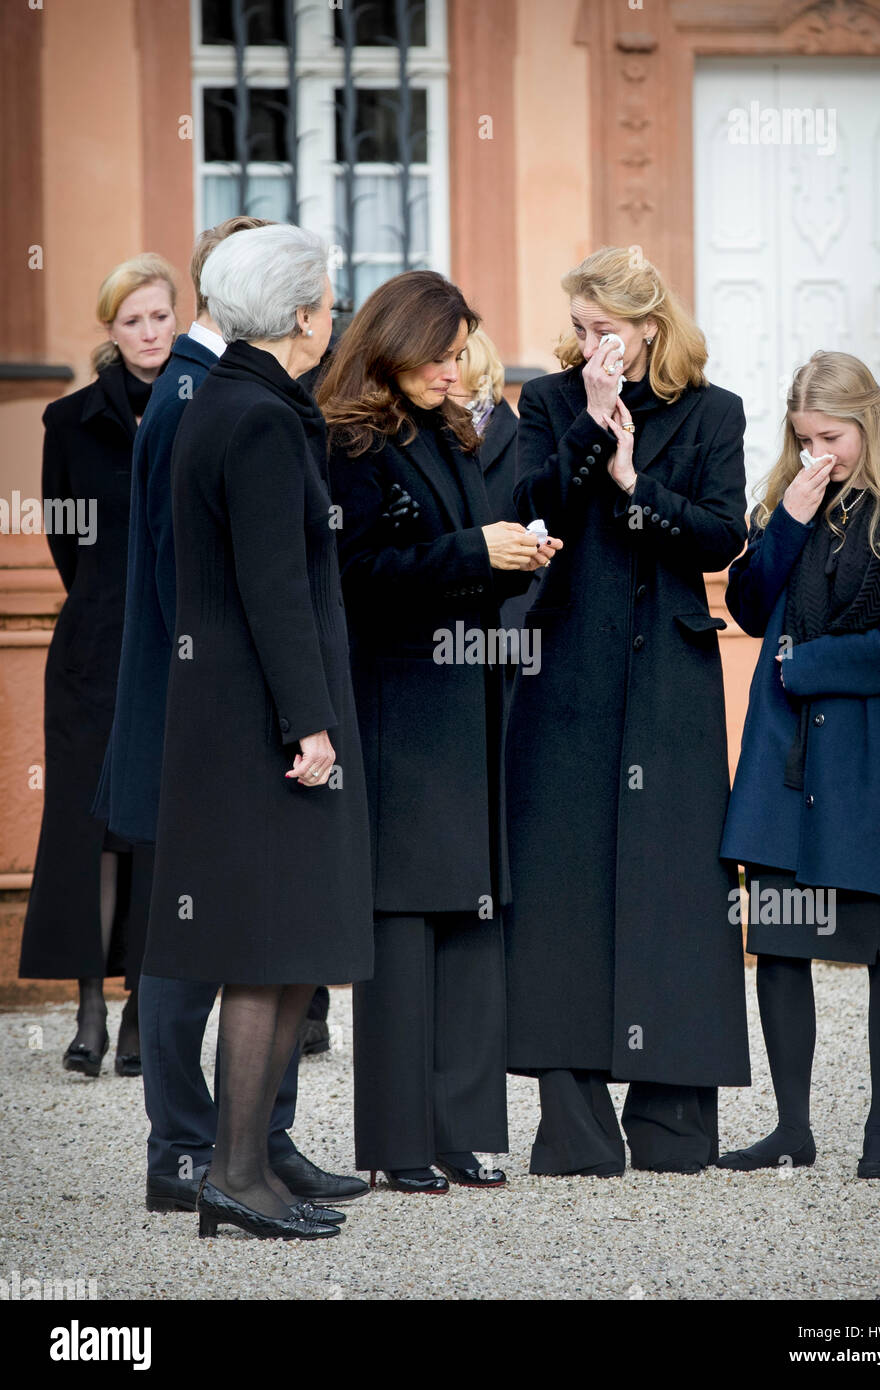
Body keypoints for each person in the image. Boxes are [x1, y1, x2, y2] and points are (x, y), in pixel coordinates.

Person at [93, 217, 358, 1215]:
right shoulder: (221, 402)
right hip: (215, 707)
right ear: (297, 311)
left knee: (258, 937)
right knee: (209, 939)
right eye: (328, 298)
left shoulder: (237, 397)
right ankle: (195, 1153)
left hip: (227, 702)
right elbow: (245, 583)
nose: (334, 314)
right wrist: (304, 718)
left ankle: (250, 1149)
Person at [505, 245, 751, 1176]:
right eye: (577, 330)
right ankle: (573, 1129)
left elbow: (722, 533)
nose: (587, 346)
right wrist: (589, 435)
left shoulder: (713, 410)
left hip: (669, 680)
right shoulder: (548, 403)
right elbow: (531, 512)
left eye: (603, 330)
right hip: (568, 669)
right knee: (564, 883)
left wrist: (636, 485)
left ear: (650, 328)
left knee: (676, 887)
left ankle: (674, 1124)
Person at [319, 270, 560, 1193]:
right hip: (398, 706)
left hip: (469, 696)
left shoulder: (455, 430)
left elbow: (462, 563)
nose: (458, 370)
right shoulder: (351, 443)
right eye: (444, 353)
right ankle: (395, 1140)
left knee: (472, 913)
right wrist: (473, 551)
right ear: (394, 345)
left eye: (463, 353)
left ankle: (463, 1130)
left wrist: (511, 558)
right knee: (405, 920)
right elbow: (354, 575)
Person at [718, 350, 880, 1180]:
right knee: (783, 938)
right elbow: (751, 609)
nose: (816, 453)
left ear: (868, 421)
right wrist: (788, 518)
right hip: (784, 755)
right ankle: (792, 1128)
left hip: (870, 758)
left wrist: (815, 666)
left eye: (830, 437)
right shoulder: (790, 495)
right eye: (802, 439)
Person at [19, 254, 178, 1078]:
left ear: (176, 318)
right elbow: (66, 542)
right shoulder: (68, 420)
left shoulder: (202, 408)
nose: (149, 333)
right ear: (111, 332)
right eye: (132, 322)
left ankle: (146, 1017)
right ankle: (89, 1008)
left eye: (159, 317)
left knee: (151, 829)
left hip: (176, 651)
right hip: (90, 651)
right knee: (86, 830)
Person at [447, 325, 540, 634]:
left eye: (453, 361)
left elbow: (542, 540)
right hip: (442, 626)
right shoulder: (425, 440)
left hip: (509, 626)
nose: (442, 376)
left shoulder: (524, 445)